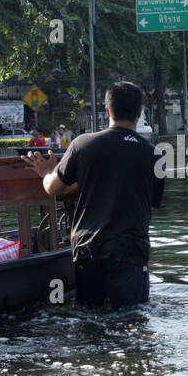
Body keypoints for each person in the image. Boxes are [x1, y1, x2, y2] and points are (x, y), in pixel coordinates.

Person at [24, 82, 164, 310]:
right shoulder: (154, 155)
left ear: (107, 110)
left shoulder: (83, 145)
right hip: (130, 249)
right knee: (132, 317)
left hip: (88, 249)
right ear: (140, 113)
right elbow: (151, 200)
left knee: (90, 316)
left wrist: (46, 171)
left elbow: (52, 188)